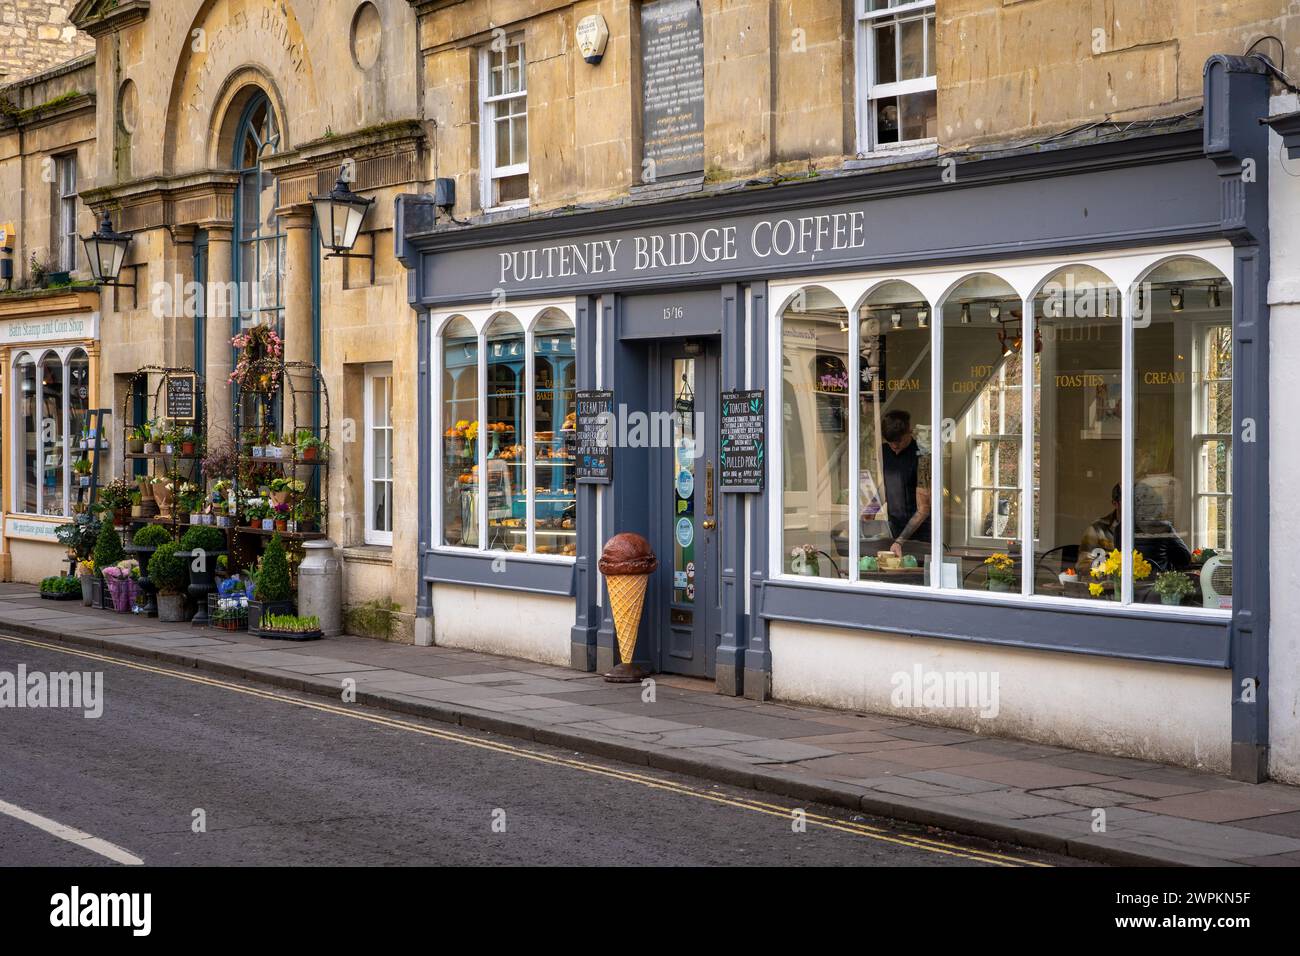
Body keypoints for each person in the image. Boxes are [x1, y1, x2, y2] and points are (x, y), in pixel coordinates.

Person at [1077, 481, 1191, 574]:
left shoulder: (1154, 527)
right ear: (1115, 503)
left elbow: (1182, 558)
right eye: (1128, 502)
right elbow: (1083, 566)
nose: (1134, 507)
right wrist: (1111, 564)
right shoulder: (1097, 530)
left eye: (1137, 502)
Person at [880, 410, 931, 558]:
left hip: (919, 533)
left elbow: (924, 509)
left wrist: (901, 541)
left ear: (909, 432)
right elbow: (885, 484)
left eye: (898, 441)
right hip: (893, 527)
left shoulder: (922, 456)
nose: (894, 447)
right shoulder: (883, 451)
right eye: (890, 442)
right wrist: (872, 507)